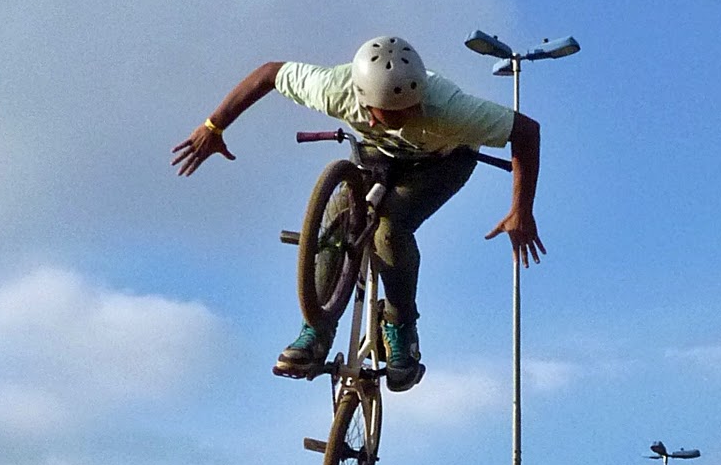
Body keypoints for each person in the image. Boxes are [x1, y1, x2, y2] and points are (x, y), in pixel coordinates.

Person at [173, 34, 542, 392]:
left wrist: (521, 210)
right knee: (337, 220)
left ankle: (400, 330)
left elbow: (526, 132)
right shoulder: (334, 88)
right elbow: (269, 73)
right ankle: (315, 330)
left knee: (389, 229)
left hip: (443, 161)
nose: (406, 117)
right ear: (364, 103)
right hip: (378, 154)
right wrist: (214, 126)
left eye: (411, 109)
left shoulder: (449, 108)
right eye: (392, 114)